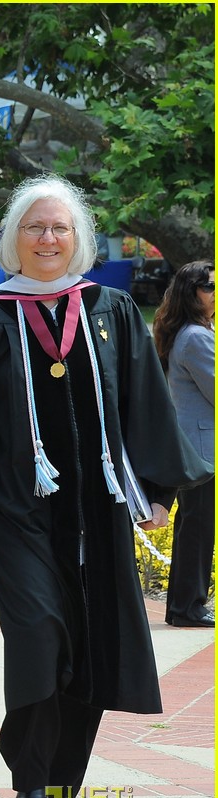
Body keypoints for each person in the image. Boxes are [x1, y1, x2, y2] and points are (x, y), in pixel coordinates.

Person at [0, 174, 211, 798]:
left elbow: (145, 404)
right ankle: (31, 781)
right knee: (39, 634)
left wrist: (155, 490)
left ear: (79, 238)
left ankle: (65, 787)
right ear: (15, 239)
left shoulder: (110, 311)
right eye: (35, 227)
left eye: (59, 227)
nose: (47, 238)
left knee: (92, 642)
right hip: (14, 510)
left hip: (97, 508)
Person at [153, 260, 215, 628]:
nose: (215, 294)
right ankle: (188, 607)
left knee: (194, 527)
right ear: (190, 293)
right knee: (197, 529)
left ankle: (184, 606)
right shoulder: (196, 337)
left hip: (196, 446)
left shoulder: (195, 332)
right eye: (209, 287)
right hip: (202, 450)